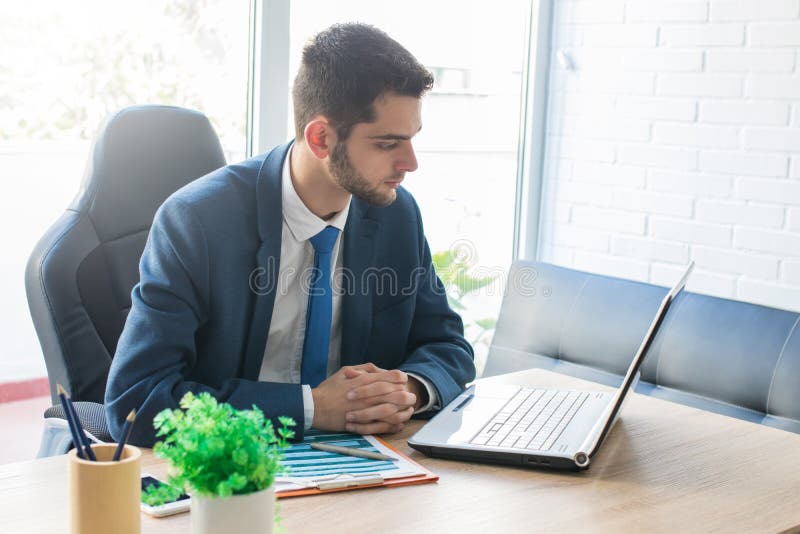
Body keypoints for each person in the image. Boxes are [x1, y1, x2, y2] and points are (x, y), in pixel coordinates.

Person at [105, 22, 475, 446]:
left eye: (411, 139)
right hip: (235, 469)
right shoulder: (196, 223)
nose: (410, 163)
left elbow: (448, 346)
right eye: (388, 144)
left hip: (361, 463)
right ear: (321, 138)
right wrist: (314, 407)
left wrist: (406, 388)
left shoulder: (396, 215)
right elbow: (137, 401)